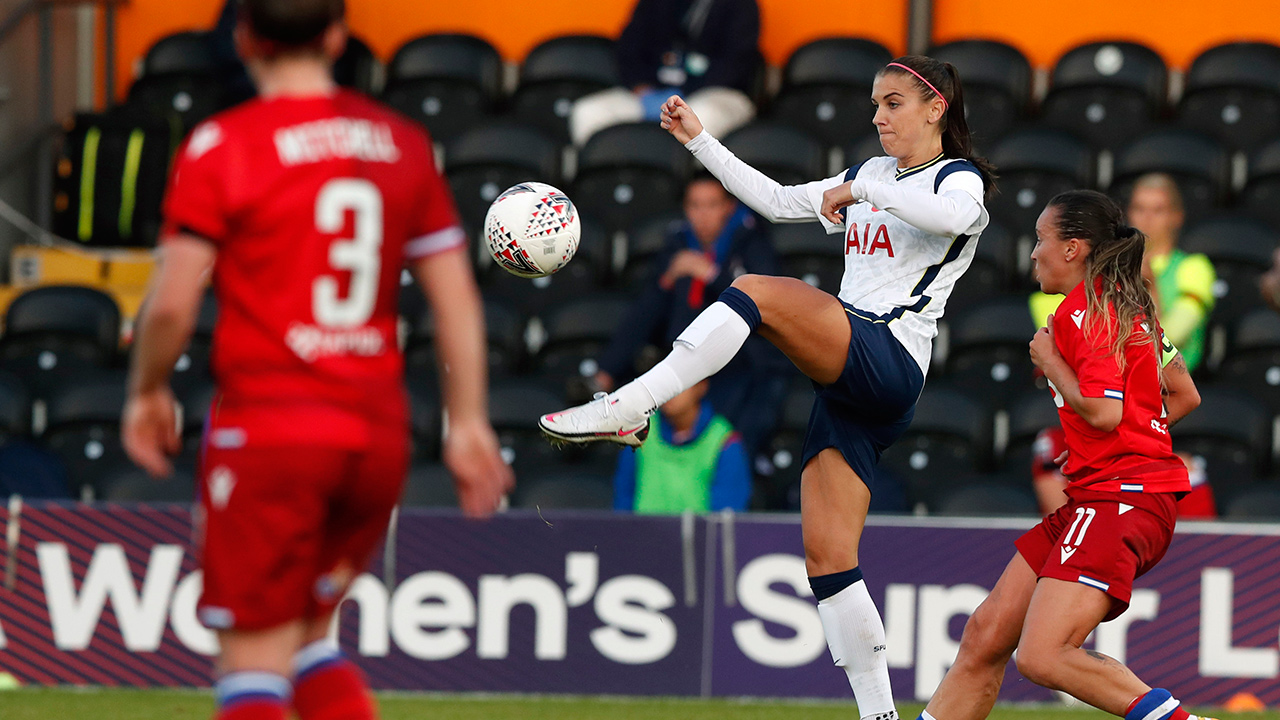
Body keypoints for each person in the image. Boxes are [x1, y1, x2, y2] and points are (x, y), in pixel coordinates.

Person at [543, 56, 996, 720]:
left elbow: (954, 216)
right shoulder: (870, 173)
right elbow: (781, 202)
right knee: (828, 558)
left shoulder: (959, 179)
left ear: (937, 109)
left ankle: (628, 405)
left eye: (893, 103)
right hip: (850, 383)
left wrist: (866, 194)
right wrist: (699, 140)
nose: (877, 116)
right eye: (875, 103)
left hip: (889, 355)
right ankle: (880, 715)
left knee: (753, 291)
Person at [120, 3, 514, 720]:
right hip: (373, 435)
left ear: (243, 38)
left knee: (250, 665)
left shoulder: (222, 145)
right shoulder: (402, 143)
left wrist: (146, 388)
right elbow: (455, 297)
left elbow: (174, 304)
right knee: (307, 641)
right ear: (337, 35)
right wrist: (469, 422)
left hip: (272, 430)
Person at [917, 190, 1208, 720]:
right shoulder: (1130, 308)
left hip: (1119, 500)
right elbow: (1183, 396)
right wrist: (1118, 446)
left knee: (1043, 656)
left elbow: (1102, 412)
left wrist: (1051, 362)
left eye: (1040, 240)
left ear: (1073, 249)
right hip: (1103, 495)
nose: (1032, 253)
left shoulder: (1081, 316)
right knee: (986, 635)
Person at [595, 172, 782, 454]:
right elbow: (647, 310)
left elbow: (768, 304)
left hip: (742, 363)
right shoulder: (679, 242)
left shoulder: (752, 240)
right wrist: (669, 279)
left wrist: (711, 274)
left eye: (711, 205)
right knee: (671, 286)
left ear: (729, 206)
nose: (703, 215)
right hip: (686, 359)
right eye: (695, 205)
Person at [569, 0, 758, 147]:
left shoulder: (741, 5)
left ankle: (694, 194)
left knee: (701, 118)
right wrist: (641, 87)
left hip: (710, 95)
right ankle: (607, 186)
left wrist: (683, 96)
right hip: (652, 94)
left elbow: (736, 65)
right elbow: (628, 50)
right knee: (588, 113)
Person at [614, 379, 751, 513]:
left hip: (699, 535)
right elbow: (623, 501)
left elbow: (726, 517)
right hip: (643, 534)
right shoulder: (638, 433)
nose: (669, 391)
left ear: (701, 386)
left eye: (680, 383)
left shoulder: (725, 441)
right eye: (664, 383)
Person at [1031, 424, 1217, 519]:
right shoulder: (1056, 443)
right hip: (1080, 555)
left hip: (1157, 562)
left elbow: (1199, 536)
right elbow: (1060, 519)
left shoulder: (1176, 465)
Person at [1127, 173, 1215, 373]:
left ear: (1177, 217)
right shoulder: (1112, 267)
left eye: (1158, 210)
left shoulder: (1194, 267)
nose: (1146, 219)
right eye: (1139, 209)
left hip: (1171, 392)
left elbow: (1170, 338)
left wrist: (1149, 285)